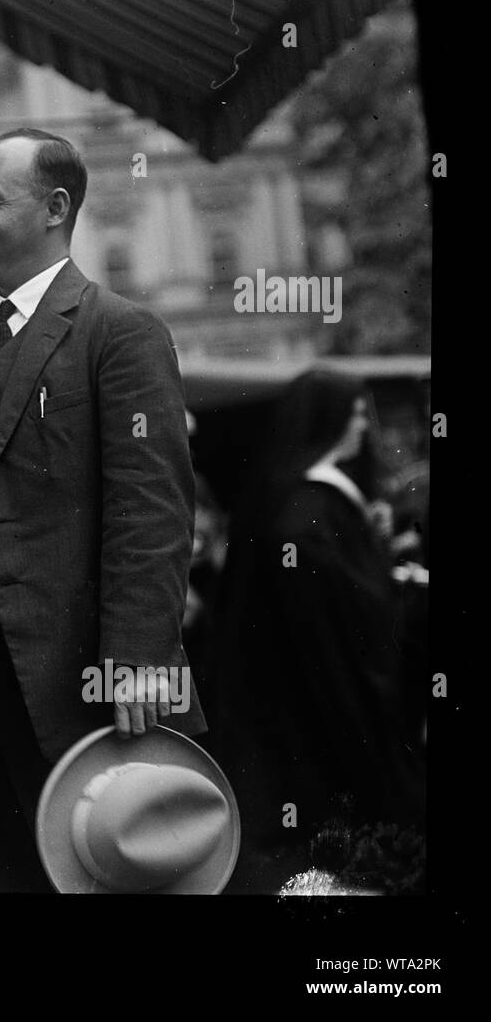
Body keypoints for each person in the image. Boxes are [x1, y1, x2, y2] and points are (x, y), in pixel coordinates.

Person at [0, 128, 204, 892]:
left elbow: (151, 511)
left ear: (57, 208)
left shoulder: (120, 332)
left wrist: (137, 659)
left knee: (99, 867)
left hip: (80, 673)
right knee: (8, 869)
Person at [212, 368, 425, 892]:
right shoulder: (307, 511)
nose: (362, 430)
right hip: (316, 703)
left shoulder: (293, 499)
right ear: (329, 422)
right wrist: (410, 594)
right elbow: (351, 615)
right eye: (354, 416)